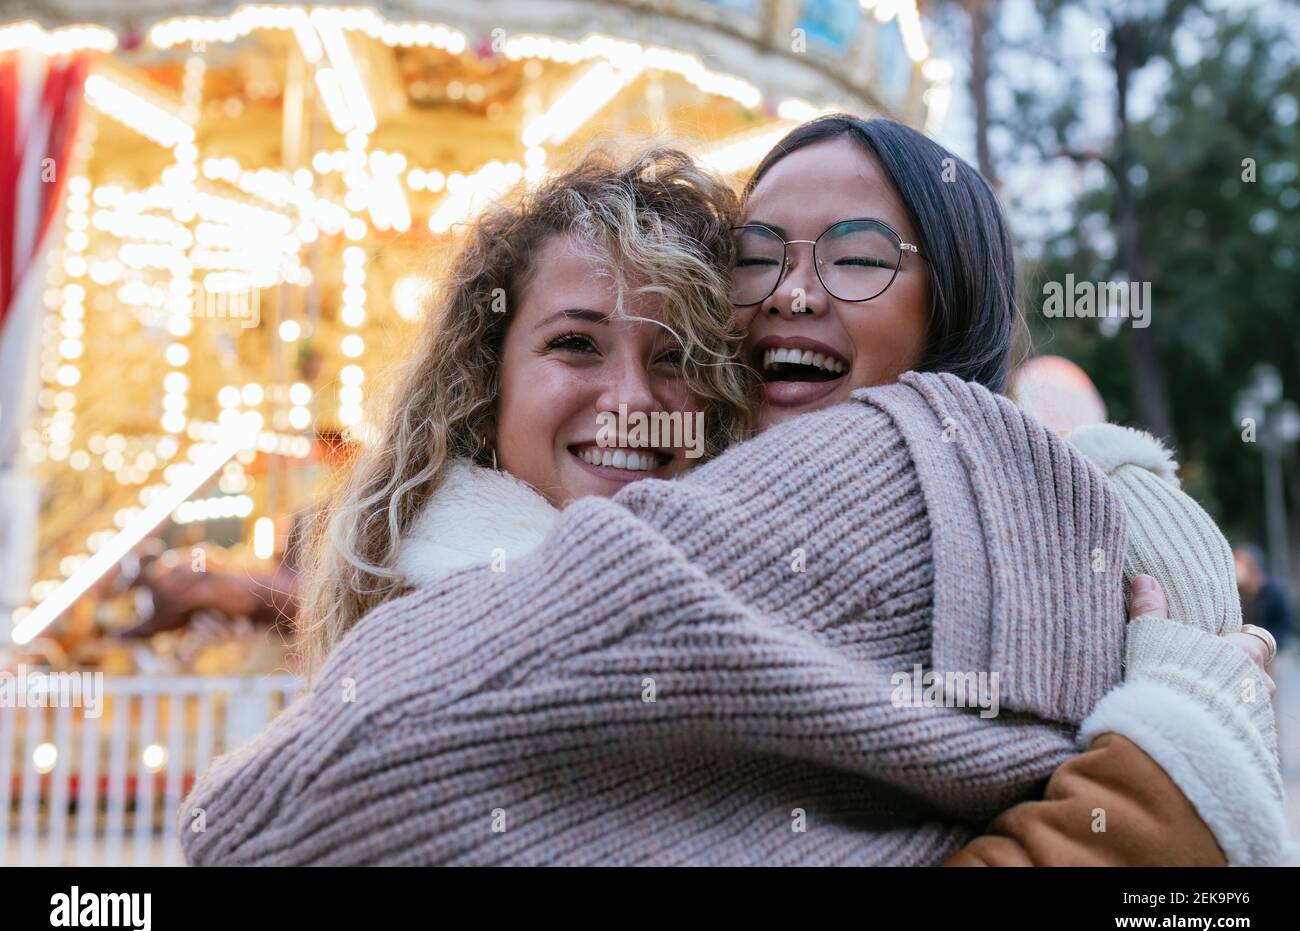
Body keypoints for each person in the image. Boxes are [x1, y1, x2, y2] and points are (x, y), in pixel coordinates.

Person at [178, 133, 1288, 866]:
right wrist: (1169, 776)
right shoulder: (450, 627)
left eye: (673, 356)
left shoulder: (1066, 558)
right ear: (481, 387)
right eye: (572, 344)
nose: (630, 400)